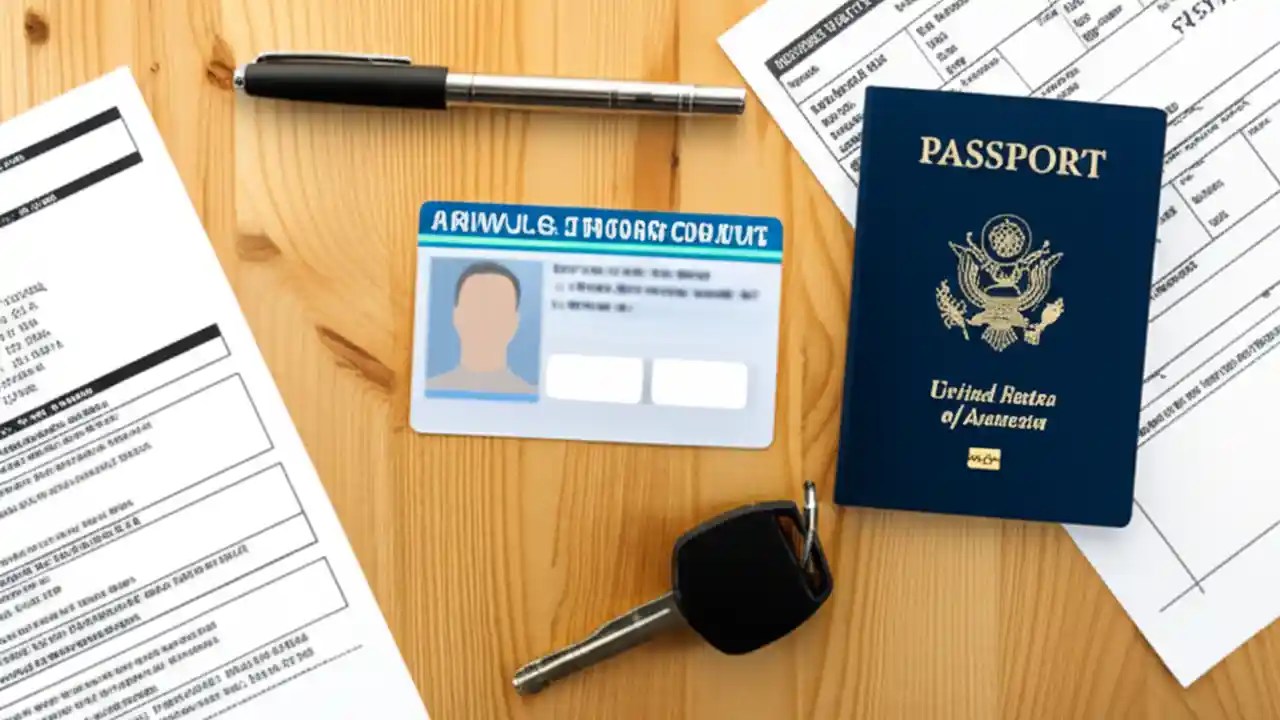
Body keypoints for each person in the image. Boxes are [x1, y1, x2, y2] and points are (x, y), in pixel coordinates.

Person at [427, 261, 537, 394]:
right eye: (476, 305)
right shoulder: (431, 390)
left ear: (515, 322)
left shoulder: (530, 395)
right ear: (456, 316)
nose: (486, 318)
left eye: (497, 308)